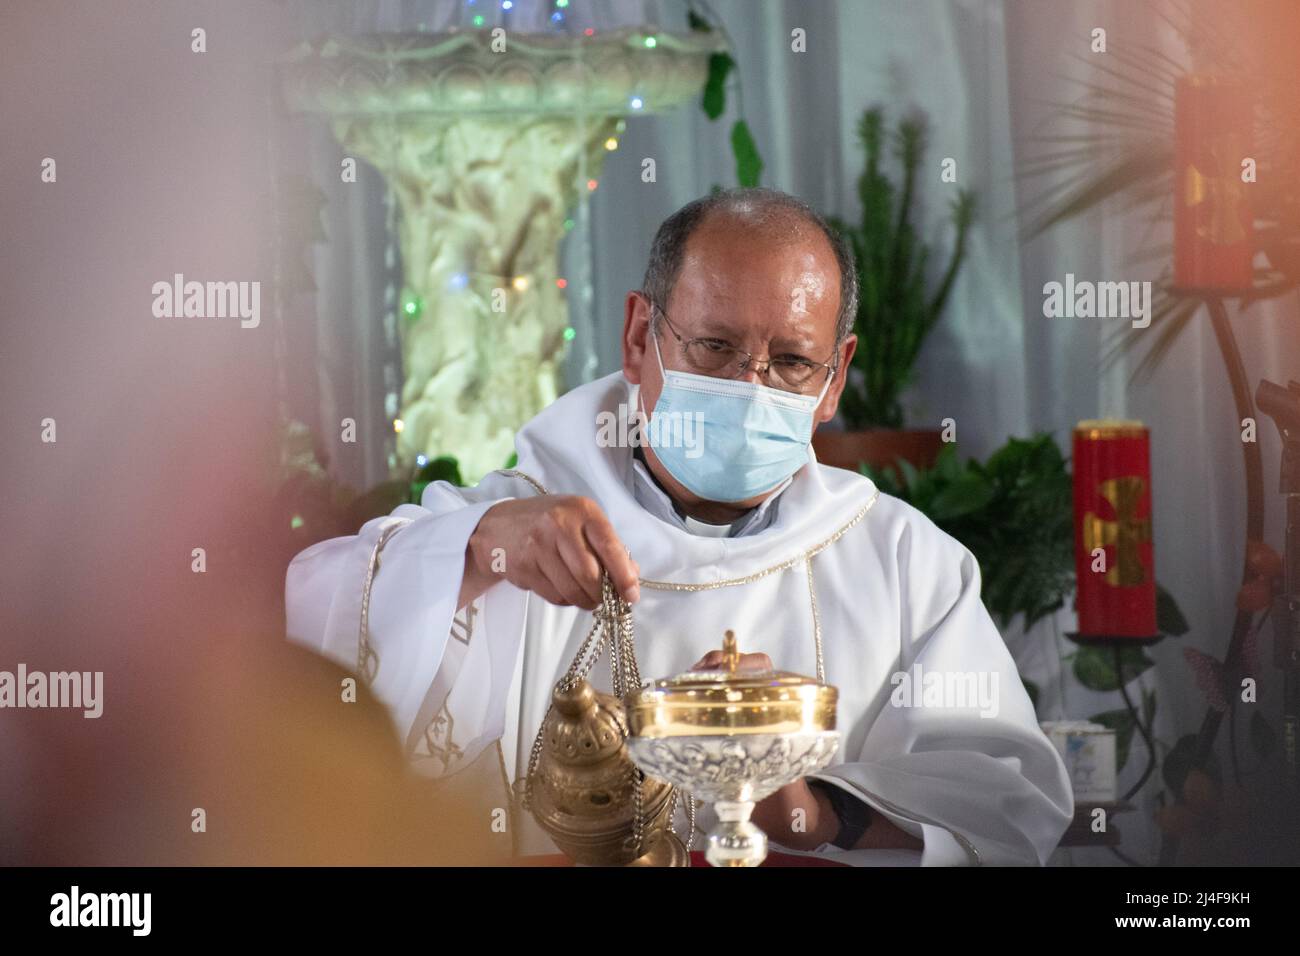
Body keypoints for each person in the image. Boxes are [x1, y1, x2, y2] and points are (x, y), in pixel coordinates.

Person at [285, 187, 1073, 865]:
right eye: (716, 346)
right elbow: (309, 640)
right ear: (639, 337)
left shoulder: (905, 564)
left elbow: (1005, 809)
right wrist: (479, 551)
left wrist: (812, 809)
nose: (750, 387)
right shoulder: (517, 521)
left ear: (835, 379)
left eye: (792, 361)